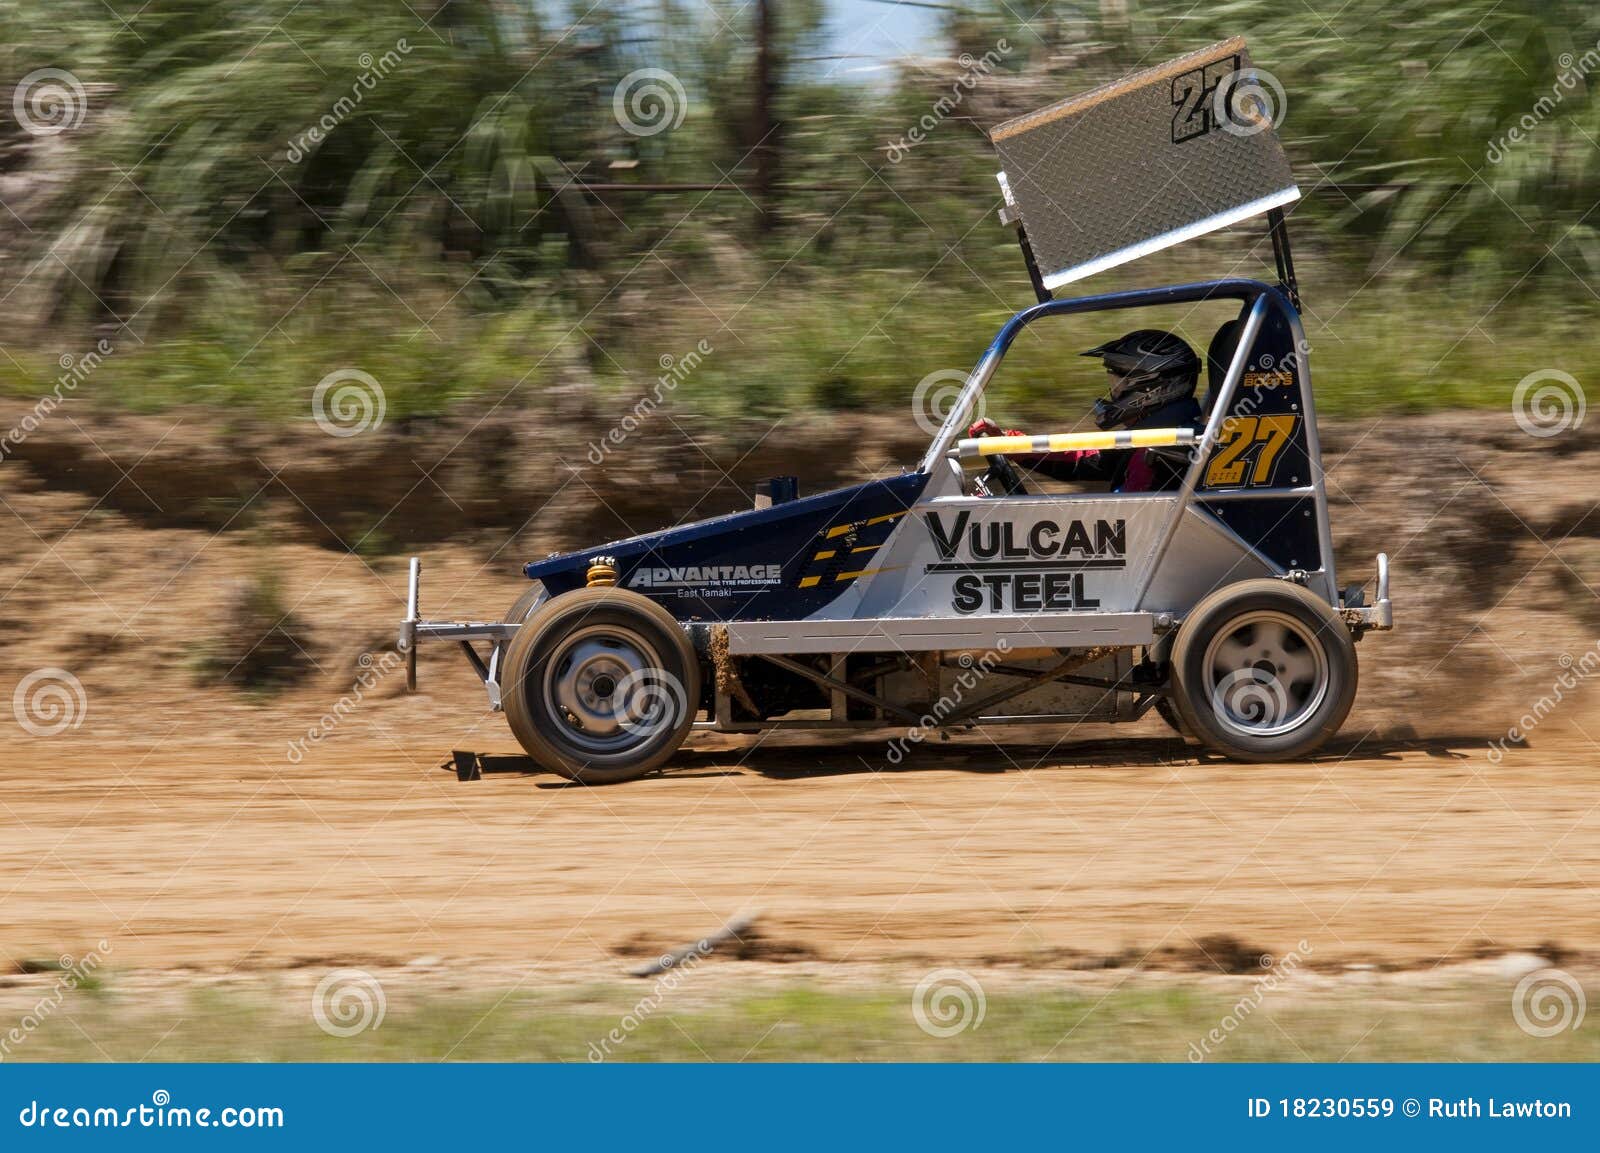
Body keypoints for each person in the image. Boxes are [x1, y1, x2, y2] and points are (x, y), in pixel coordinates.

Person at [968, 328, 1203, 493]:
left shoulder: (1163, 451)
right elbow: (1086, 458)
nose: (1113, 393)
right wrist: (1010, 444)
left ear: (1152, 388)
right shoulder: (1152, 439)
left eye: (1119, 384)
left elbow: (1126, 528)